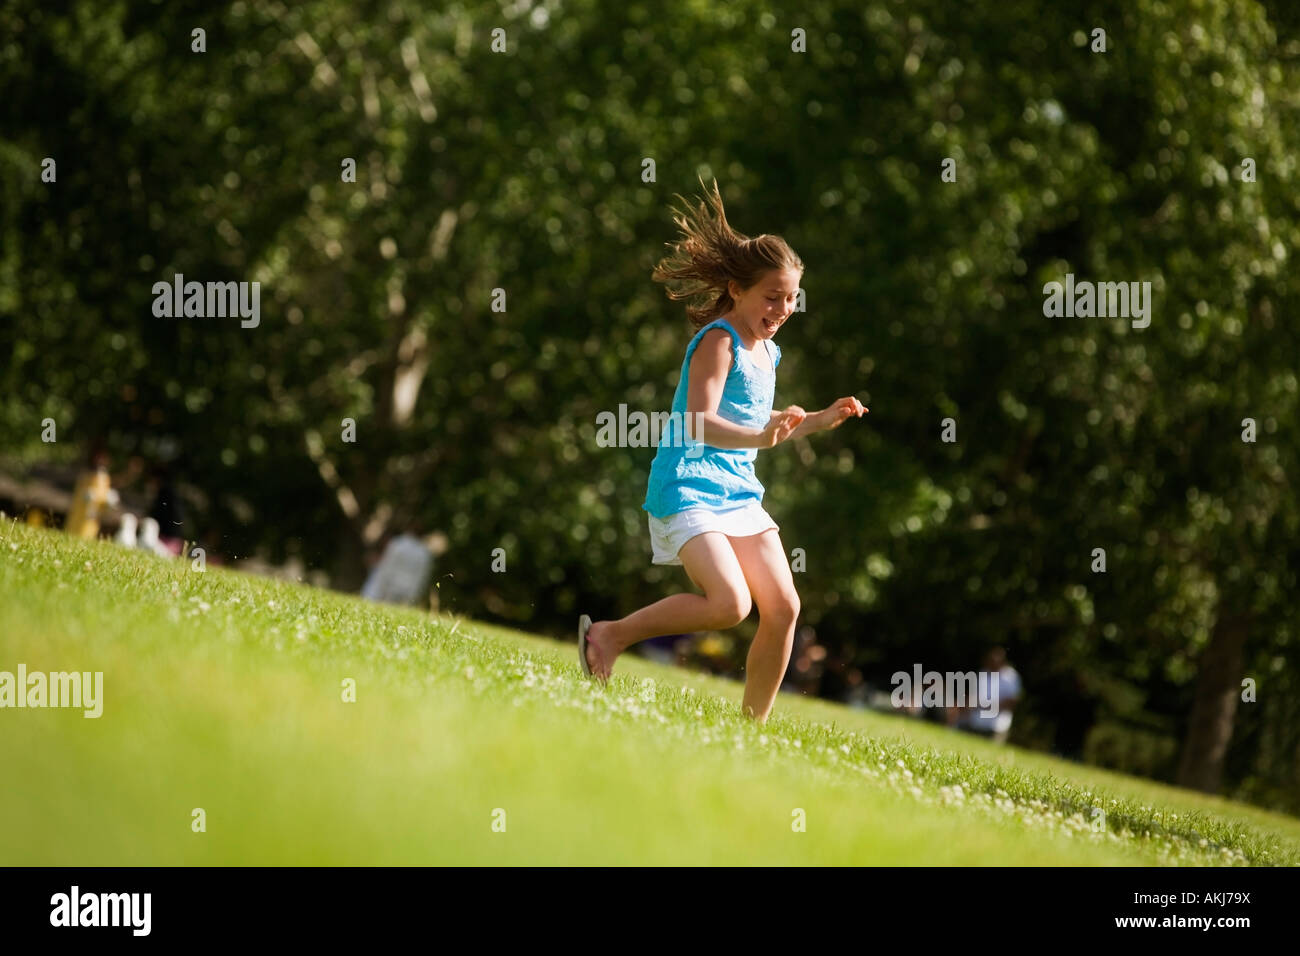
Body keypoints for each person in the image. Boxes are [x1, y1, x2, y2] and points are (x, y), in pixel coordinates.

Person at [578, 178, 868, 723]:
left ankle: (750, 731)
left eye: (791, 299)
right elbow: (697, 422)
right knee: (730, 605)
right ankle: (609, 636)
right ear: (737, 289)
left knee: (783, 608)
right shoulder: (719, 340)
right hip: (688, 484)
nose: (782, 308)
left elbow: (764, 426)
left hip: (737, 491)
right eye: (772, 296)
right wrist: (761, 435)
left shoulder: (769, 353)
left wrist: (818, 420)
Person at [951, 646, 1022, 743]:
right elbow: (972, 696)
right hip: (976, 723)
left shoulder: (1011, 677)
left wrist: (988, 705)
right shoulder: (982, 673)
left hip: (997, 726)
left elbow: (1012, 702)